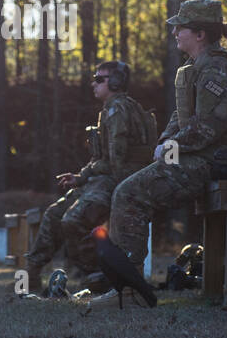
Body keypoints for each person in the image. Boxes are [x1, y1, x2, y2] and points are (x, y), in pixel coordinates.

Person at [91, 0, 227, 309]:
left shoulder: (218, 68)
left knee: (129, 193)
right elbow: (180, 120)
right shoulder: (196, 68)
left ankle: (130, 293)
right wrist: (167, 142)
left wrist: (170, 147)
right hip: (200, 157)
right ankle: (125, 285)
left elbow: (209, 127)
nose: (175, 33)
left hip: (217, 162)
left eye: (180, 28)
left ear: (200, 34)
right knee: (128, 188)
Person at [22, 61, 156, 296]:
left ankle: (100, 276)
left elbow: (117, 163)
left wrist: (85, 176)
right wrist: (81, 177)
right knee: (54, 213)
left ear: (115, 83)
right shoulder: (110, 110)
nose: (93, 83)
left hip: (121, 179)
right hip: (105, 178)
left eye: (99, 78)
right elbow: (102, 159)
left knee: (72, 220)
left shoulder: (118, 111)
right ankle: (30, 276)